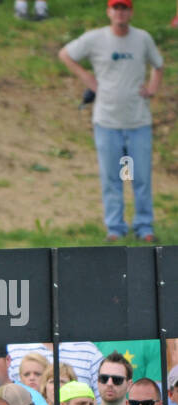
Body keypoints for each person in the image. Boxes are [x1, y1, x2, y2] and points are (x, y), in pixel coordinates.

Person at [59, 1, 163, 242]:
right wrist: (87, 78)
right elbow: (66, 54)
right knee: (111, 177)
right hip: (106, 120)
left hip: (138, 120)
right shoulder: (95, 39)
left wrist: (152, 89)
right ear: (109, 12)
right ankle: (115, 228)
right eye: (116, 8)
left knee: (141, 177)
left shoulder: (143, 39)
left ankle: (144, 227)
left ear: (131, 12)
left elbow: (158, 65)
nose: (120, 13)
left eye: (125, 8)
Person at [8, 341, 104, 400]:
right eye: (26, 374)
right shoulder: (14, 350)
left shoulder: (89, 351)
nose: (32, 378)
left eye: (37, 374)